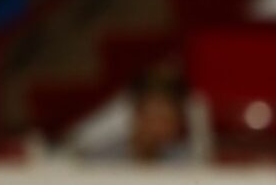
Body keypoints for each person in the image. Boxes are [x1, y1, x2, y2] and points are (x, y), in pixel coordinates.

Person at [65, 61, 209, 165]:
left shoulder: (182, 160)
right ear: (137, 116)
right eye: (155, 118)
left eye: (168, 121)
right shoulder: (102, 160)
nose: (160, 128)